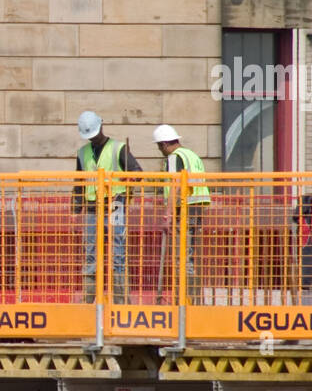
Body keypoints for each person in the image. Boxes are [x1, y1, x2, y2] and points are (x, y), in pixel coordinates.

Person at [72, 111, 141, 303]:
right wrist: (75, 210)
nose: (92, 138)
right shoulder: (82, 153)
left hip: (115, 206)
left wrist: (126, 183)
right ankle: (89, 300)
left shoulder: (118, 148)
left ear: (101, 126)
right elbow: (79, 183)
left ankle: (120, 301)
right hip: (92, 208)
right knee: (91, 255)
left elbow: (137, 172)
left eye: (94, 134)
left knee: (117, 254)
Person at [153, 124, 210, 304]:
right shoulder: (191, 155)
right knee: (190, 255)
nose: (160, 150)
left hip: (183, 209)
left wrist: (167, 215)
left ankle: (185, 302)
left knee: (182, 256)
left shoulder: (174, 157)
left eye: (159, 146)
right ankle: (193, 300)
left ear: (164, 144)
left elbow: (174, 186)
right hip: (197, 207)